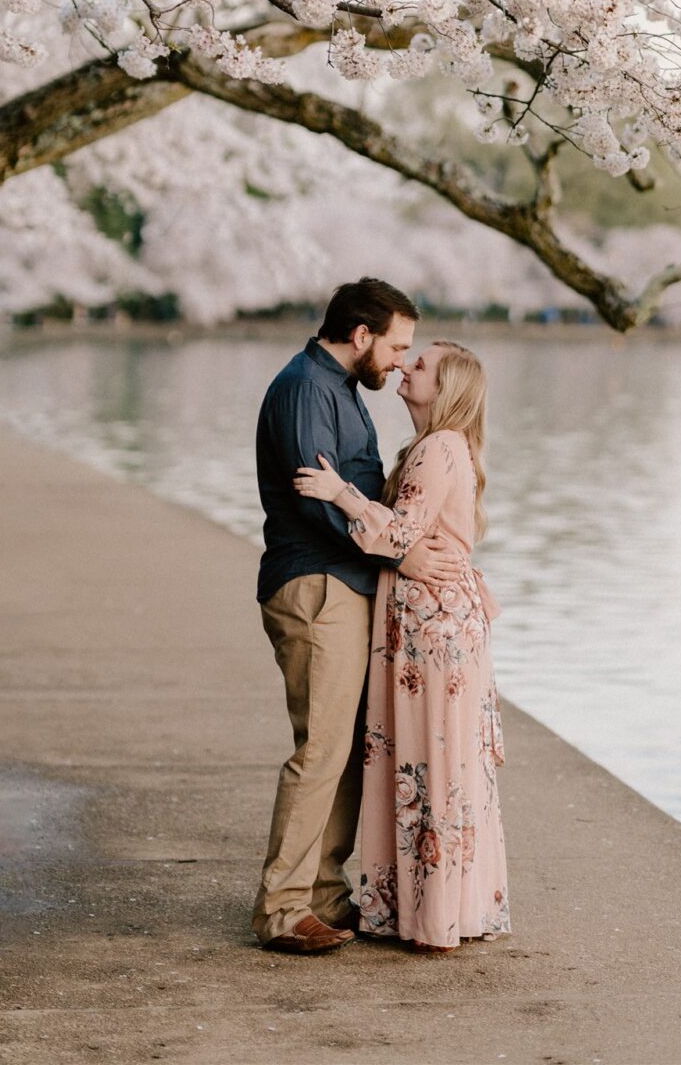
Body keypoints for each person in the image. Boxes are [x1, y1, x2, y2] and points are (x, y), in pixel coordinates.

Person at [251, 279, 462, 956]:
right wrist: (401, 558)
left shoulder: (338, 388)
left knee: (344, 752)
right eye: (397, 345)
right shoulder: (309, 388)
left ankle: (323, 894)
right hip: (317, 587)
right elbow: (317, 505)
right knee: (321, 750)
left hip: (345, 582)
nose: (401, 361)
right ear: (362, 335)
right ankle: (282, 908)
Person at [295, 339, 510, 952]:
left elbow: (398, 535)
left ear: (445, 389)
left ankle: (430, 914)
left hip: (431, 632)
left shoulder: (437, 448)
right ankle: (439, 907)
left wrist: (340, 493)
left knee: (427, 759)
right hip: (439, 624)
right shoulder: (439, 448)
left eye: (421, 365)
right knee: (441, 760)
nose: (406, 366)